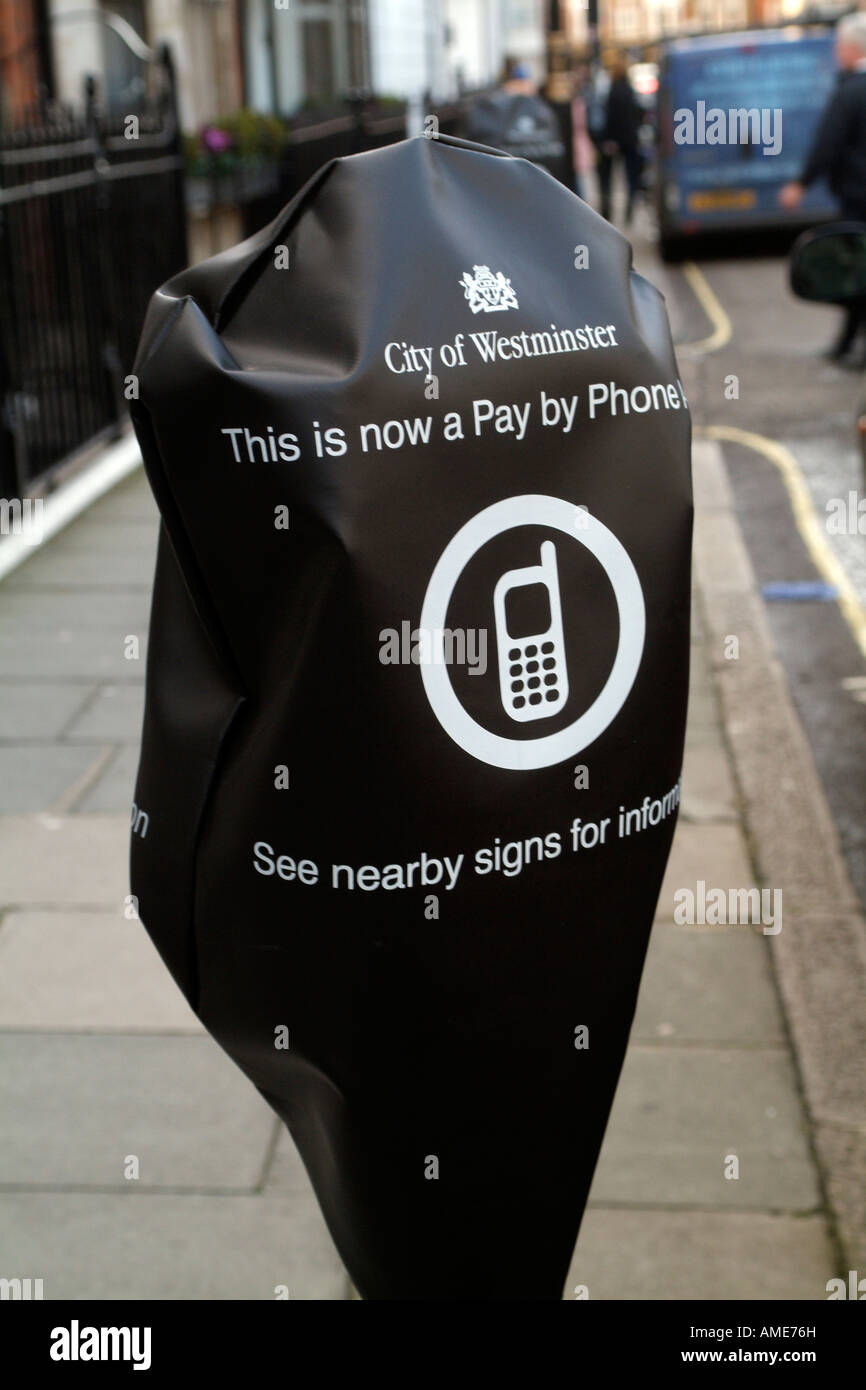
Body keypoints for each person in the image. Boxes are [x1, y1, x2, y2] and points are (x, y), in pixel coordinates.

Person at [780, 12, 866, 362]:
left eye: (839, 46)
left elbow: (828, 143)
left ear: (852, 48)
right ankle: (847, 343)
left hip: (859, 197)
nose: (836, 52)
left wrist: (801, 183)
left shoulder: (851, 90)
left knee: (856, 269)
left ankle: (849, 346)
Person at [595, 56, 642, 225]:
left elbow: (611, 118)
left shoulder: (613, 92)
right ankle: (629, 212)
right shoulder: (630, 91)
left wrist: (608, 139)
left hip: (614, 140)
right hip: (630, 140)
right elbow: (636, 115)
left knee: (609, 178)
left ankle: (608, 212)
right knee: (630, 178)